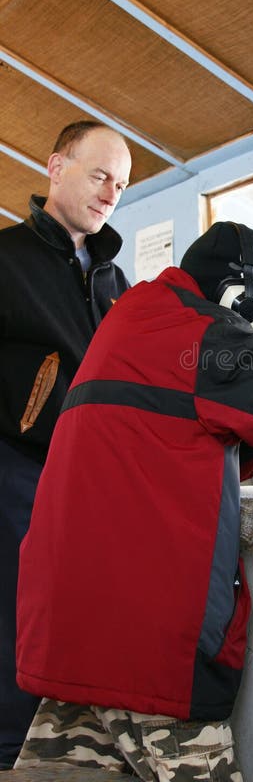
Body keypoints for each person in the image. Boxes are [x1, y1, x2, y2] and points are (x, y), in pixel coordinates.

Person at [14, 221, 253, 782]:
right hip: (144, 640)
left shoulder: (138, 320)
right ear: (242, 296)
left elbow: (182, 433)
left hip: (76, 623)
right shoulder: (198, 330)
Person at [0, 121, 132, 768]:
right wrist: (30, 408)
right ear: (55, 167)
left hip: (91, 475)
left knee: (73, 608)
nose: (111, 192)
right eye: (99, 173)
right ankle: (6, 750)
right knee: (11, 606)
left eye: (122, 183)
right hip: (16, 467)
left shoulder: (115, 280)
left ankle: (65, 745)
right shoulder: (5, 257)